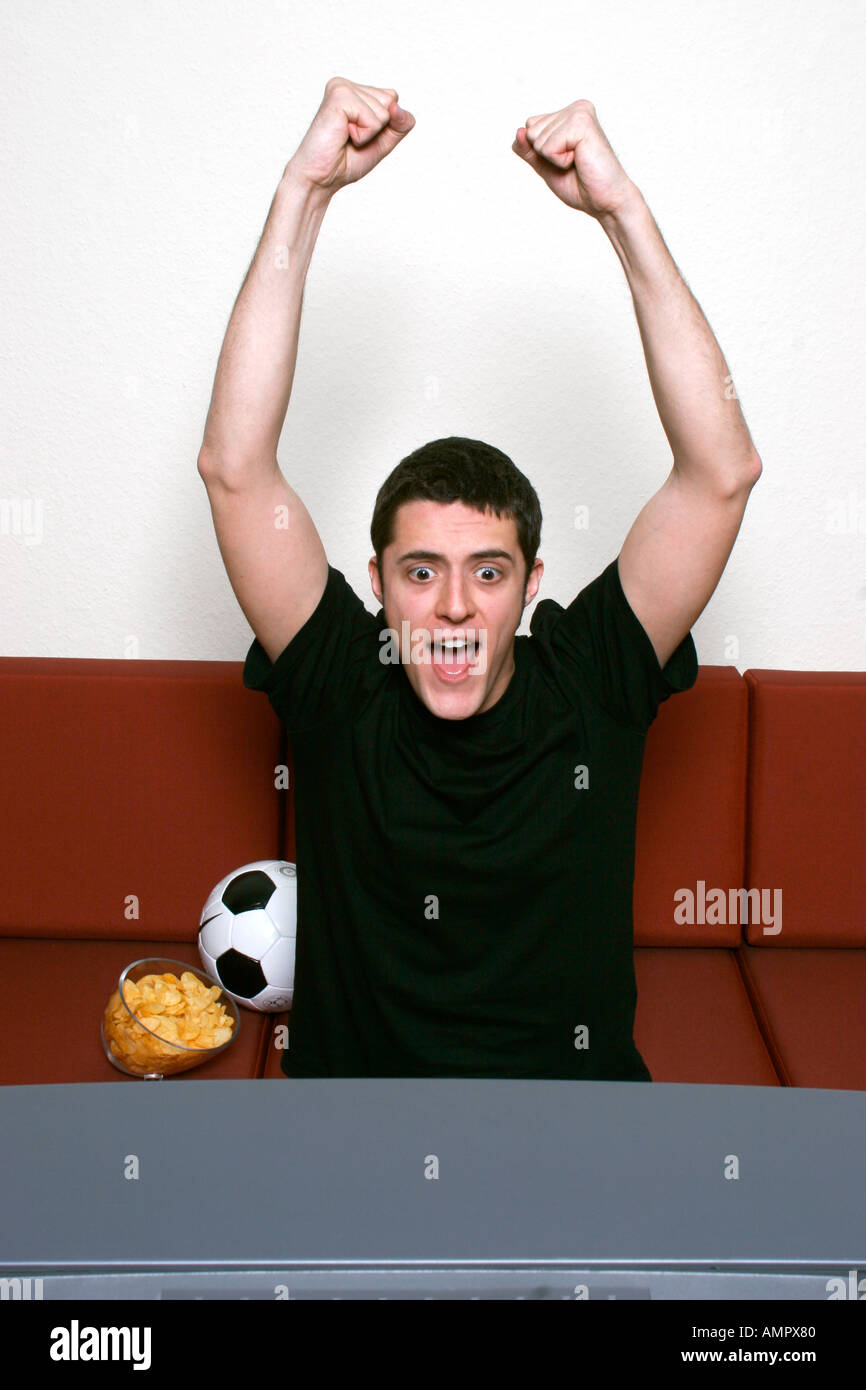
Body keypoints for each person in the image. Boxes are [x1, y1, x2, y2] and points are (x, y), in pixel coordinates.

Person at [197, 77, 762, 1080]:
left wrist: (621, 214)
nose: (453, 604)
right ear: (375, 584)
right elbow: (236, 470)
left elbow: (720, 474)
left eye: (486, 572)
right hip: (351, 1140)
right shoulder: (339, 683)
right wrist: (303, 191)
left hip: (570, 1141)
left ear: (530, 583)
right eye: (421, 571)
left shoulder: (588, 682)